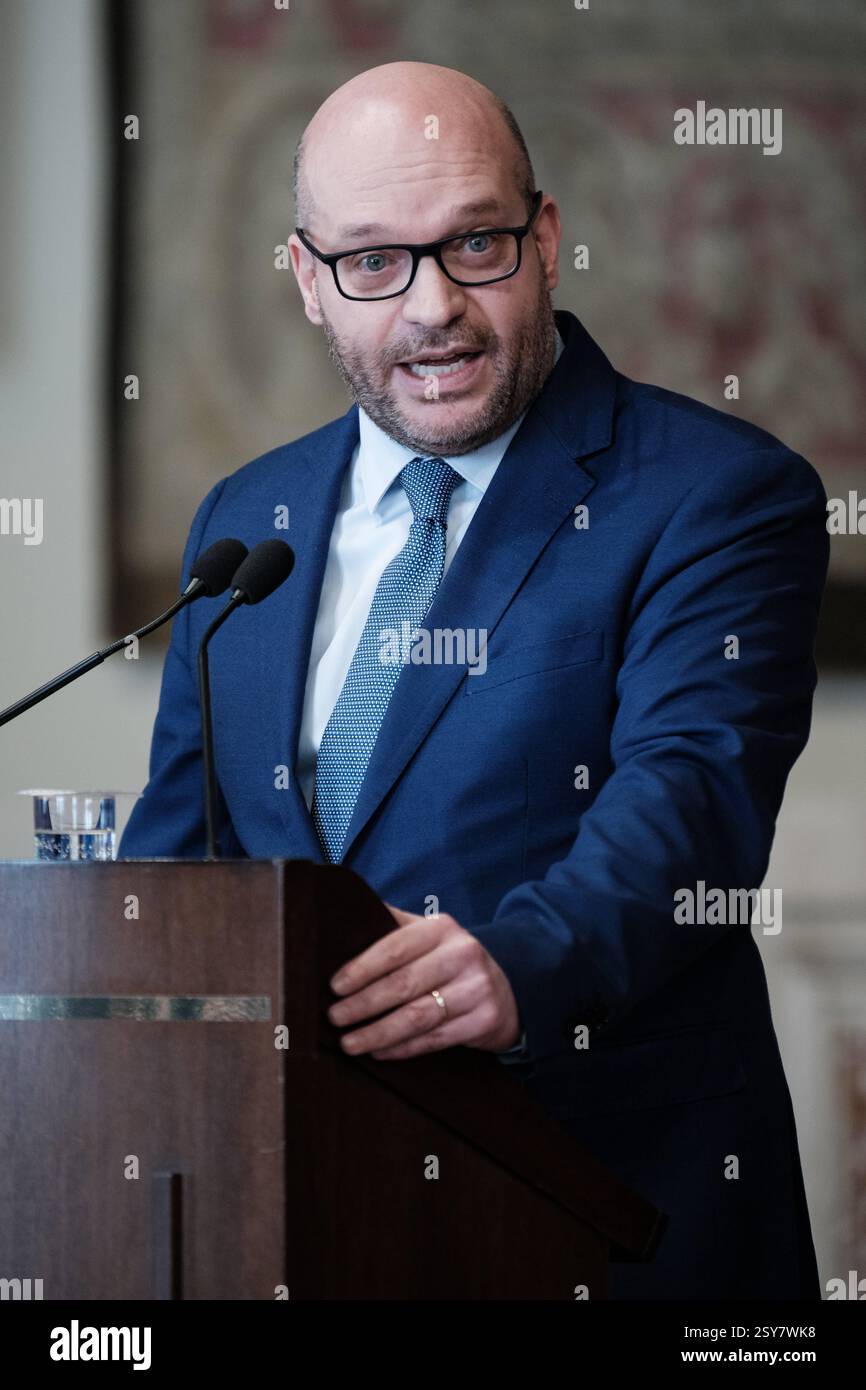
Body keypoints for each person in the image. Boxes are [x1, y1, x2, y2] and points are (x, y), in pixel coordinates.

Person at [120, 61, 828, 1300]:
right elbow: (181, 862)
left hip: (609, 1212)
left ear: (545, 240)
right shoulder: (247, 519)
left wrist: (519, 960)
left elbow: (693, 798)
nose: (432, 306)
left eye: (475, 245)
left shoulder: (716, 492)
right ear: (306, 280)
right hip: (292, 1219)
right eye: (374, 261)